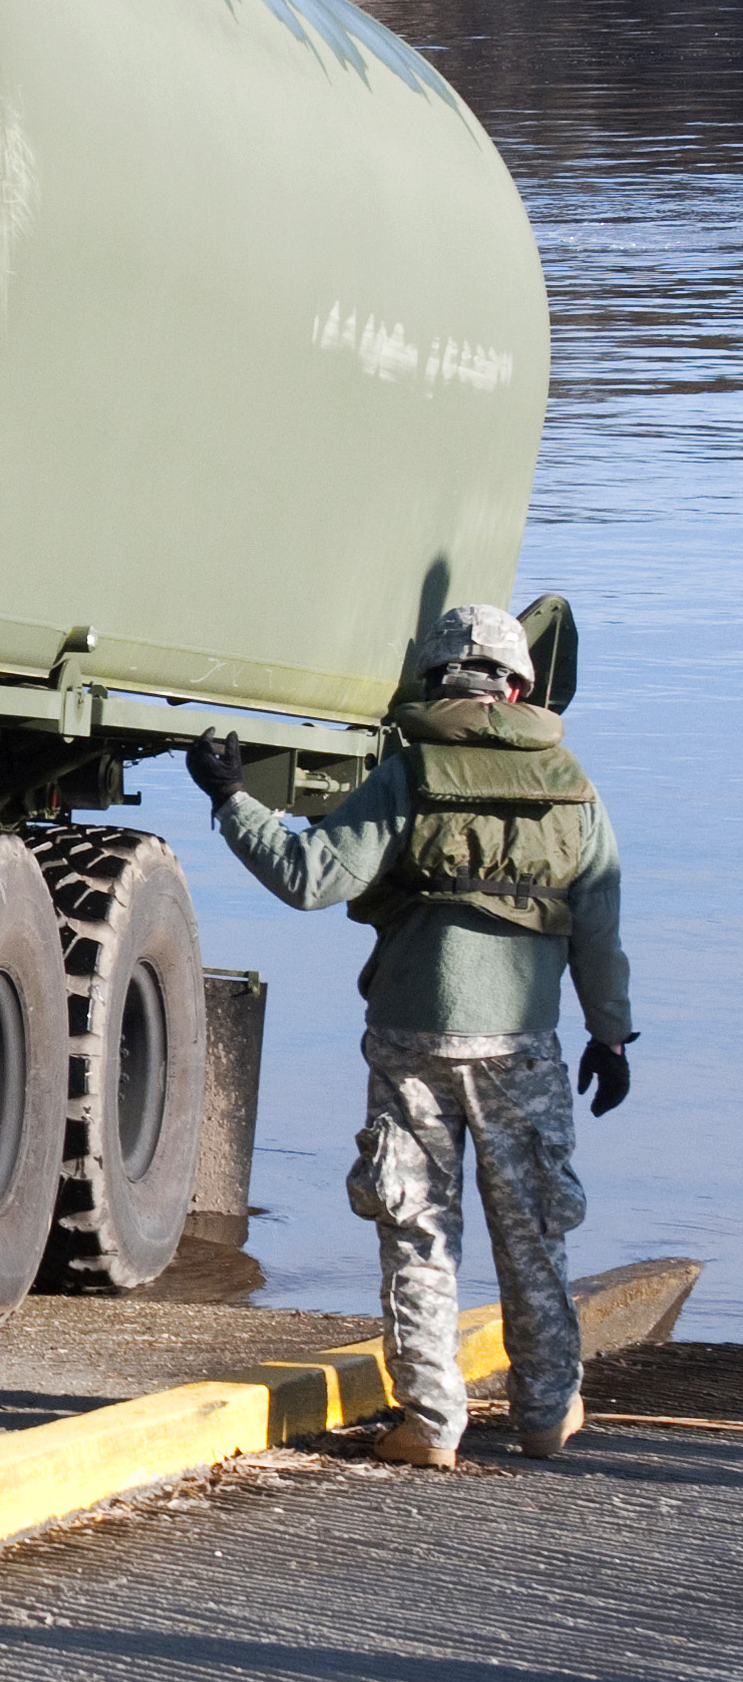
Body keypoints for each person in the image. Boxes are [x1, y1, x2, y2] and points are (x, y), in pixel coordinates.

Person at [188, 603, 633, 1467]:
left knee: (420, 1233)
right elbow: (600, 931)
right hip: (523, 1047)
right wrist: (610, 1039)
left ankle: (432, 1423)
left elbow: (309, 878)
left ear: (434, 678)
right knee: (534, 1231)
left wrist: (230, 797)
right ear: (519, 685)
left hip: (411, 1039)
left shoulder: (408, 774)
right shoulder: (576, 787)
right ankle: (545, 1415)